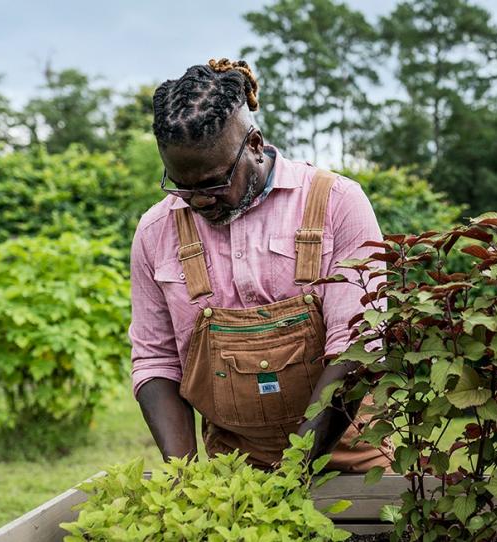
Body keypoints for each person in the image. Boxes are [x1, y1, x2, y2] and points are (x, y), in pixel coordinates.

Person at [129, 58, 389, 471]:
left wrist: (291, 473)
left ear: (253, 143)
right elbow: (155, 361)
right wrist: (186, 481)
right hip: (231, 470)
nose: (198, 200)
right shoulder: (156, 231)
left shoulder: (337, 203)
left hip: (354, 457)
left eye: (214, 182)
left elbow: (358, 345)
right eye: (182, 186)